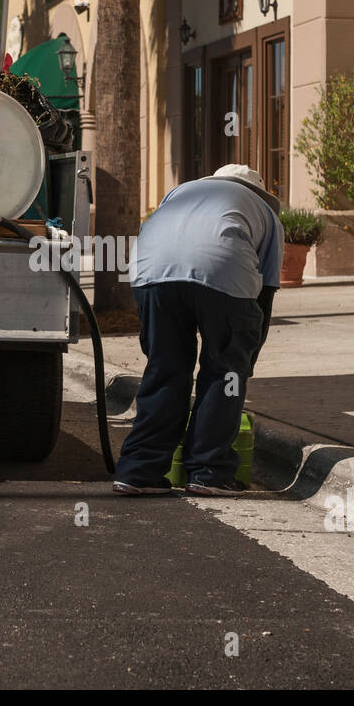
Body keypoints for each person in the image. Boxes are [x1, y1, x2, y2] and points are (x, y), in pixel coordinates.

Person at [113, 164, 283, 497]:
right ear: (258, 191)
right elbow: (265, 294)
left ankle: (139, 471)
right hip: (224, 271)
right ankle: (209, 471)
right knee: (225, 375)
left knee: (164, 369)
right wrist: (243, 359)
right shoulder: (264, 211)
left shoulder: (180, 192)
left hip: (151, 273)